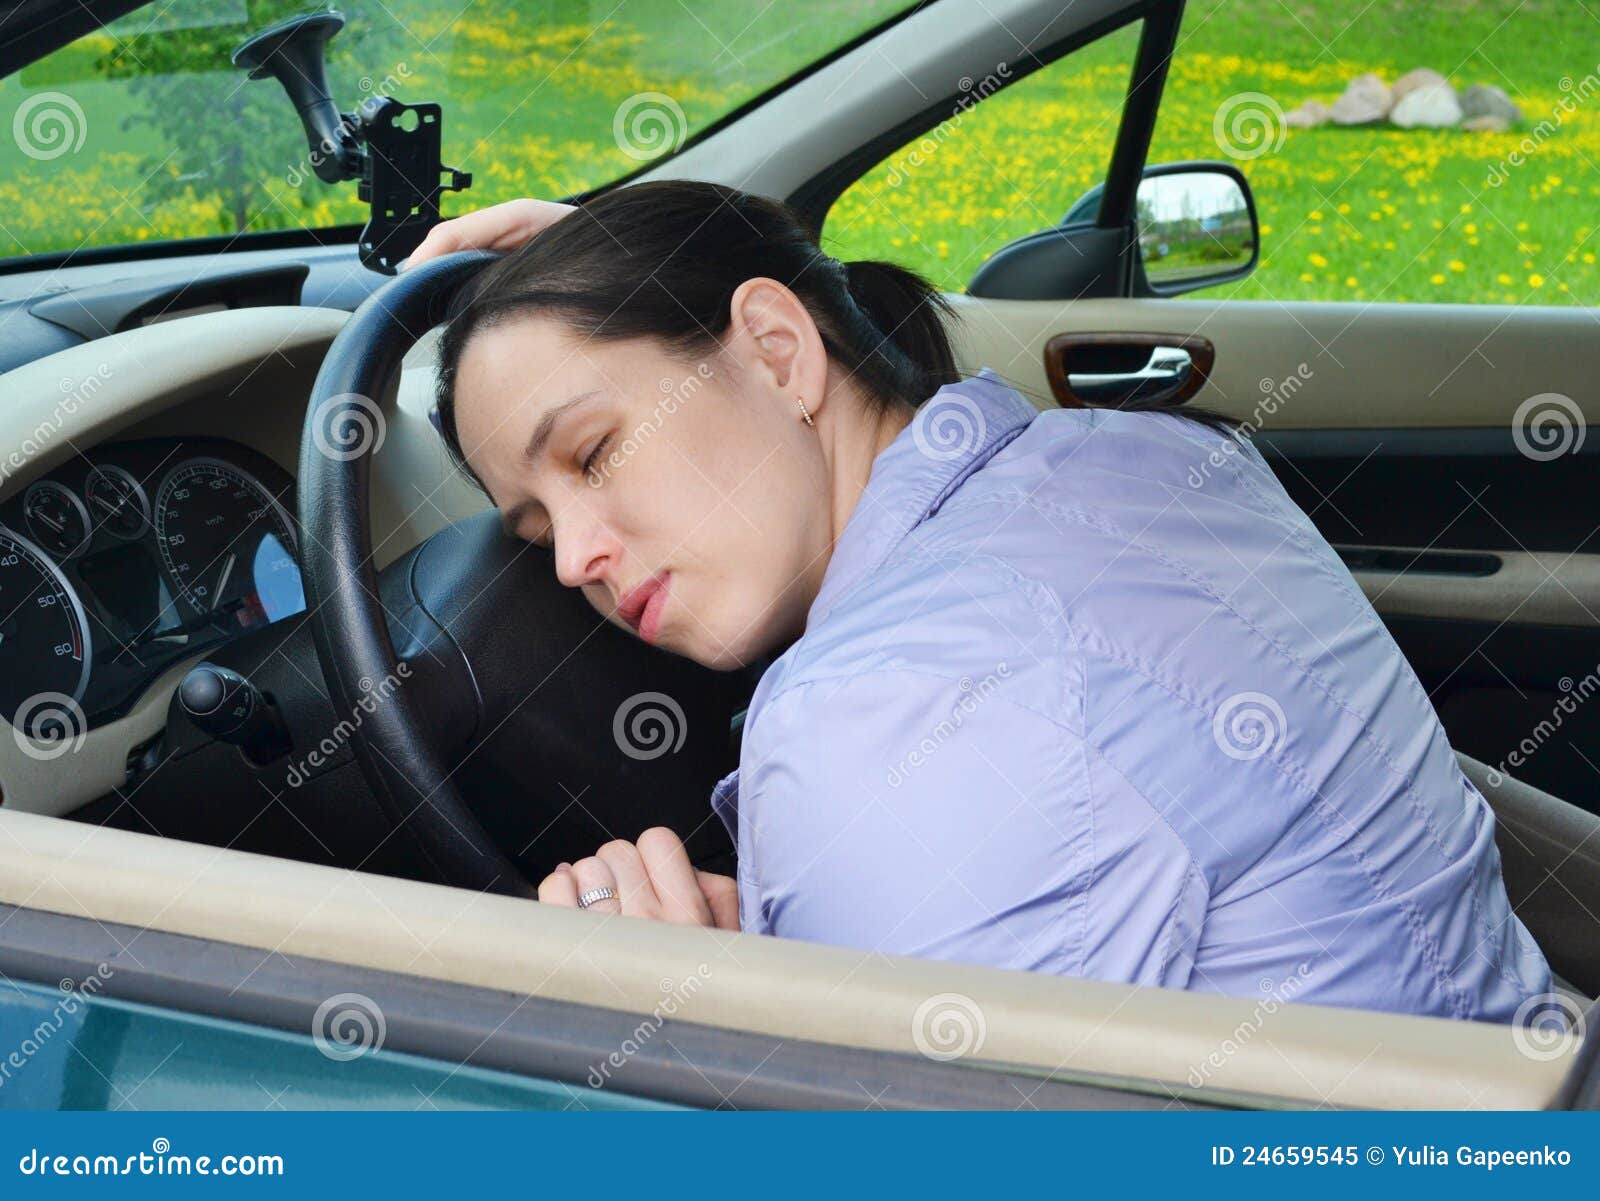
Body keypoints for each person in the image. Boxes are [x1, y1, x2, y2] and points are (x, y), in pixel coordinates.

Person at [412, 181, 1550, 1021]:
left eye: (596, 454)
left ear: (776, 348)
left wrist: (678, 1027)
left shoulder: (876, 714)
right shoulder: (1144, 456)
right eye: (534, 526)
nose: (571, 562)